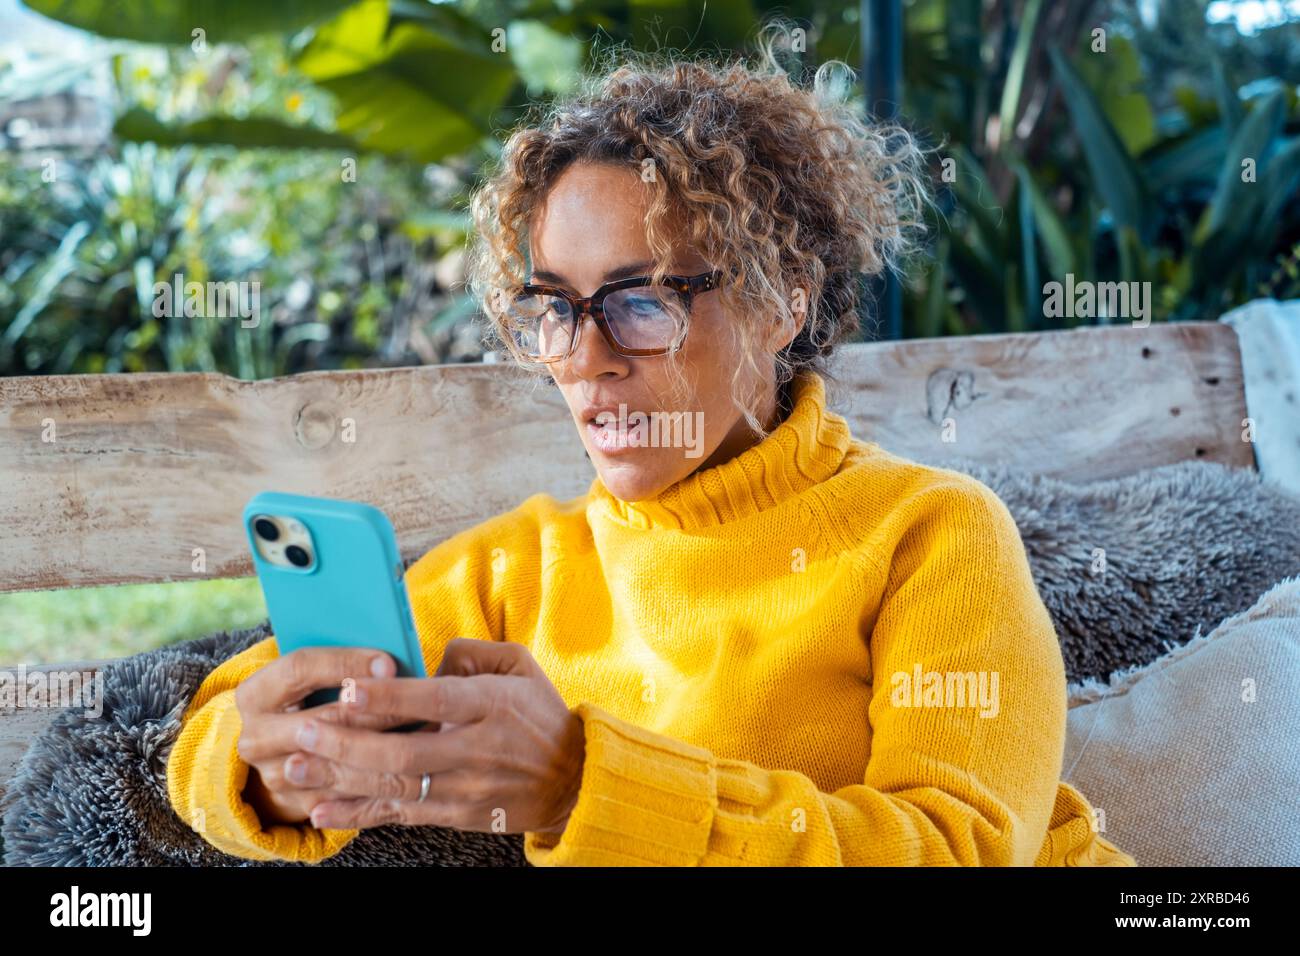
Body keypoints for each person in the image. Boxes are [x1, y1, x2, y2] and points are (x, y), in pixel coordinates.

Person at [166, 35, 1136, 867]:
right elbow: (212, 730)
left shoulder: (930, 534)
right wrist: (278, 765)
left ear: (780, 300)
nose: (586, 361)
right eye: (554, 307)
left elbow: (957, 846)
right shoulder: (524, 570)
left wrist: (581, 784)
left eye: (641, 302)